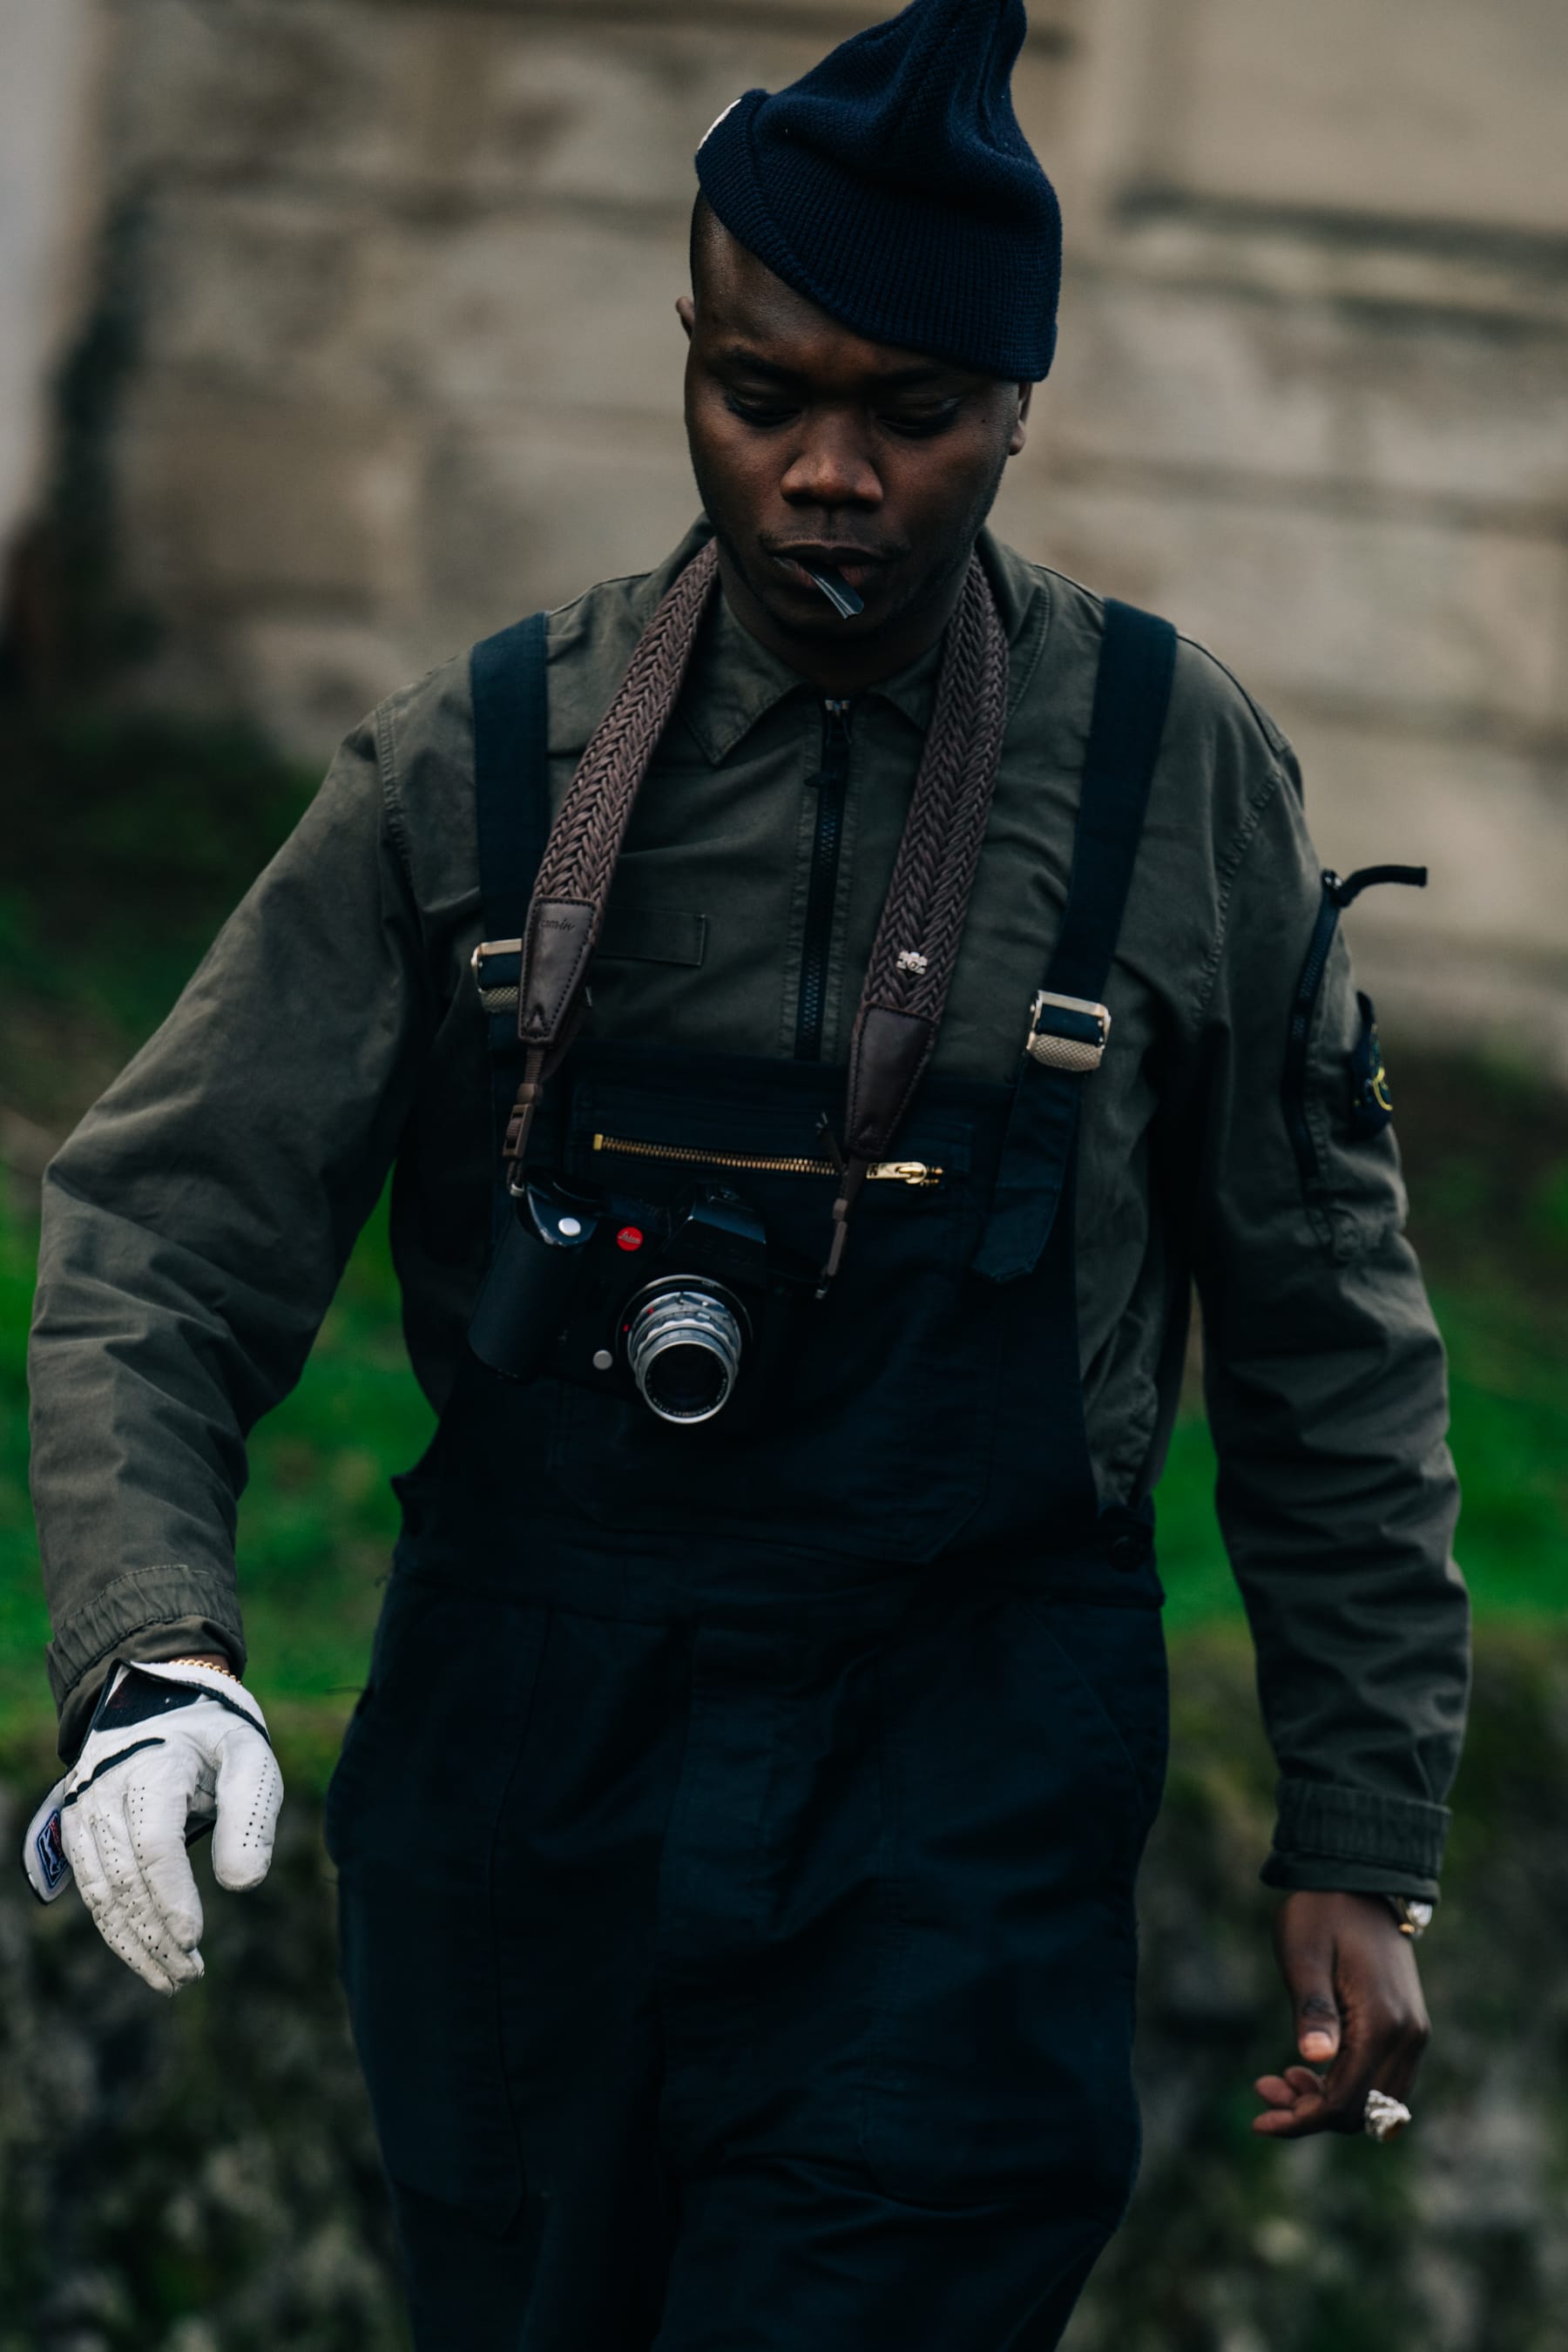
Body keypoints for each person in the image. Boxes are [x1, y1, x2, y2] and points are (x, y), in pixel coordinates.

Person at [24, 1, 1468, 2343]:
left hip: (960, 1807)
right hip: (526, 1804)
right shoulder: (481, 763)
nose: (825, 475)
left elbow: (1331, 1335)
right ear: (685, 356)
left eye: (913, 412)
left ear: (1018, 403)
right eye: (757, 392)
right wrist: (150, 1650)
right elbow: (163, 1231)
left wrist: (1366, 1831)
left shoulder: (1168, 774)